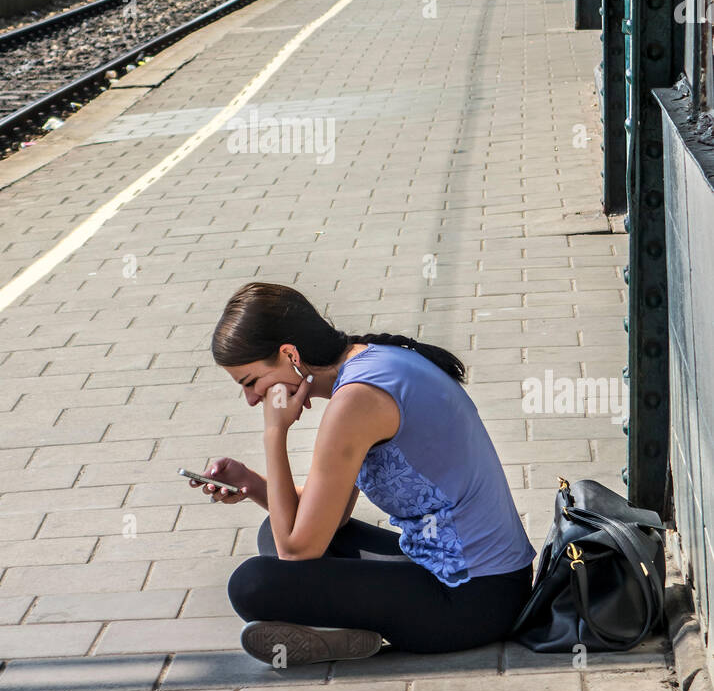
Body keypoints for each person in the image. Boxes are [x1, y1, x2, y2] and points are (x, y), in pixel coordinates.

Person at [189, 282, 537, 666]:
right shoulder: (371, 363)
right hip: (479, 577)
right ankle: (340, 629)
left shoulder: (356, 400)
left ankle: (338, 628)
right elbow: (328, 520)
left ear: (289, 354)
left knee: (252, 583)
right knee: (271, 529)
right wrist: (251, 484)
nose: (253, 398)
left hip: (472, 600)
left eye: (251, 381)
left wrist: (274, 432)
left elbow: (297, 551)